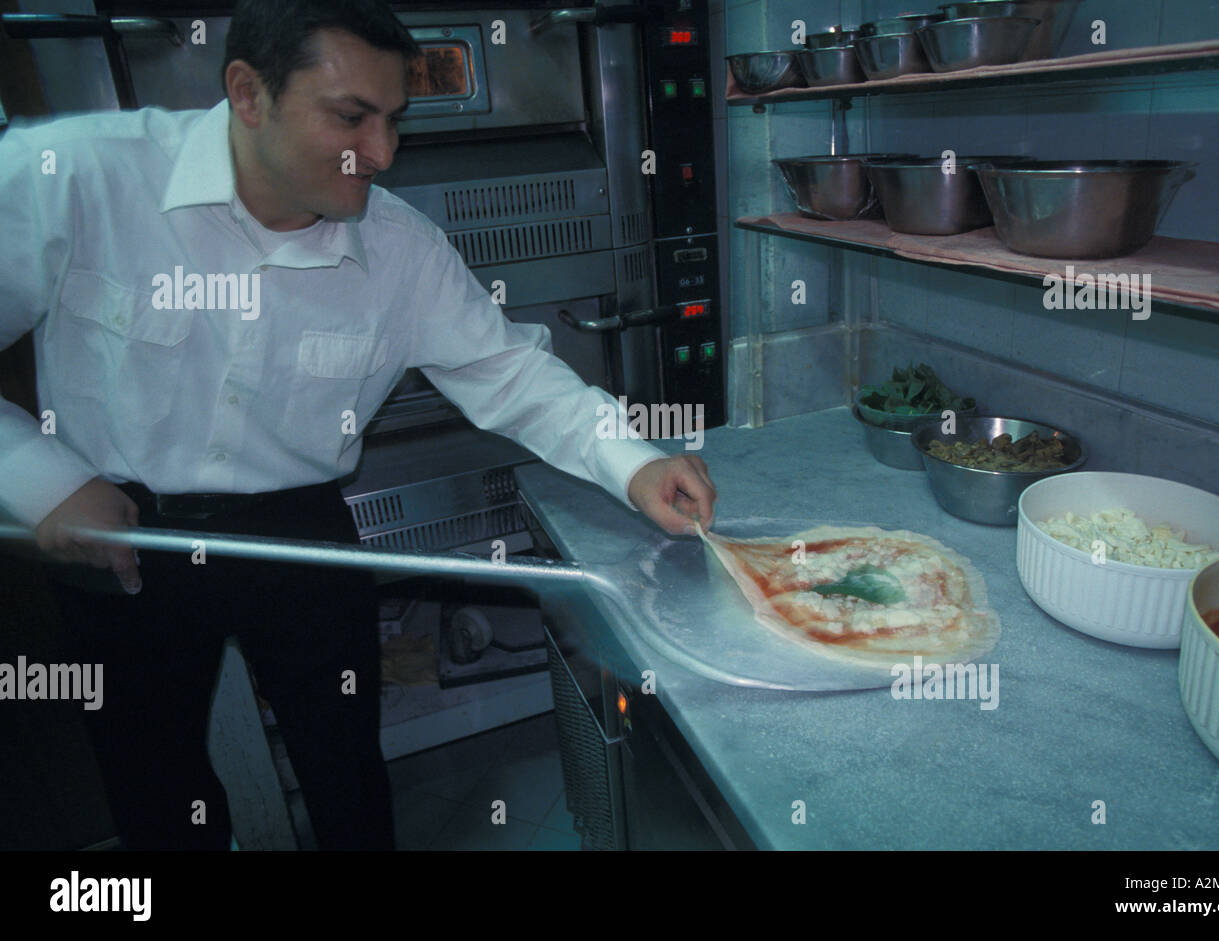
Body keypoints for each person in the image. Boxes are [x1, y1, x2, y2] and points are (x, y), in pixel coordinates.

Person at [0, 0, 716, 850]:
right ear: (248, 92)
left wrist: (633, 463)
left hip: (300, 532)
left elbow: (511, 372)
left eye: (393, 120)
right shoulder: (73, 175)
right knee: (154, 787)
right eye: (351, 117)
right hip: (119, 528)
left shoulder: (401, 250)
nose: (380, 155)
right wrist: (40, 477)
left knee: (346, 769)